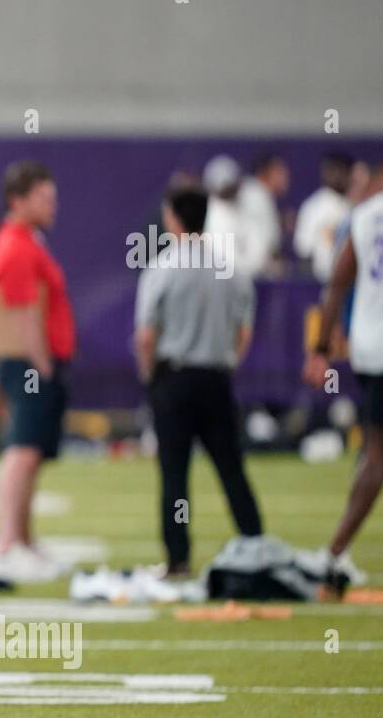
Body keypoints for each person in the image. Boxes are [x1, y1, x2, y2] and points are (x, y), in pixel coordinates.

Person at [134, 187, 264, 576]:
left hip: (173, 378)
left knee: (175, 473)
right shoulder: (229, 267)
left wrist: (149, 376)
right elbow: (244, 331)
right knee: (231, 468)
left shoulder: (163, 266)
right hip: (216, 379)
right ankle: (256, 545)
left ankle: (178, 559)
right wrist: (228, 363)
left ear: (173, 217)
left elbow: (146, 335)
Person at [0, 161, 75, 583]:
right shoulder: (17, 245)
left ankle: (23, 541)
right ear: (18, 201)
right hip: (27, 362)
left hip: (29, 361)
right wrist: (43, 364)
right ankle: (6, 546)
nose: (53, 204)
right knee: (21, 452)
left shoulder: (27, 241)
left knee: (31, 453)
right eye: (44, 197)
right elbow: (22, 315)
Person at [302, 161, 383, 593]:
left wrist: (320, 349)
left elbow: (336, 282)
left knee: (374, 451)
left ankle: (334, 555)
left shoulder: (365, 217)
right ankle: (333, 555)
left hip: (371, 346)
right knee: (376, 456)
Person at [294, 153, 353, 283]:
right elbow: (303, 249)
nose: (337, 176)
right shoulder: (313, 206)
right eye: (334, 171)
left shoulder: (350, 206)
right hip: (320, 279)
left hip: (346, 280)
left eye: (341, 172)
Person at [236, 152, 290, 277]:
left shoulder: (255, 192)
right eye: (279, 172)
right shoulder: (256, 195)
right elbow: (264, 246)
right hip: (250, 272)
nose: (285, 177)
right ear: (265, 172)